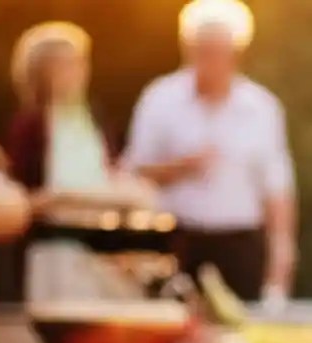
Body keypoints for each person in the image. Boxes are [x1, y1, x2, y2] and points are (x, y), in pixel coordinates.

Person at [123, 0, 297, 307]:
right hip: (175, 243)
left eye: (219, 51)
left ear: (235, 52)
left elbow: (277, 190)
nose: (211, 60)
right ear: (187, 49)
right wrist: (180, 168)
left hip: (240, 244)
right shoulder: (160, 100)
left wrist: (280, 265)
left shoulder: (261, 107)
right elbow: (132, 175)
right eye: (203, 50)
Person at [5, 22, 127, 303]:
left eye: (78, 64)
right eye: (64, 65)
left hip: (100, 247)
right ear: (42, 72)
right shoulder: (31, 125)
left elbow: (108, 174)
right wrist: (60, 199)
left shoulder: (91, 118)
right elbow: (19, 198)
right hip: (53, 247)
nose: (76, 73)